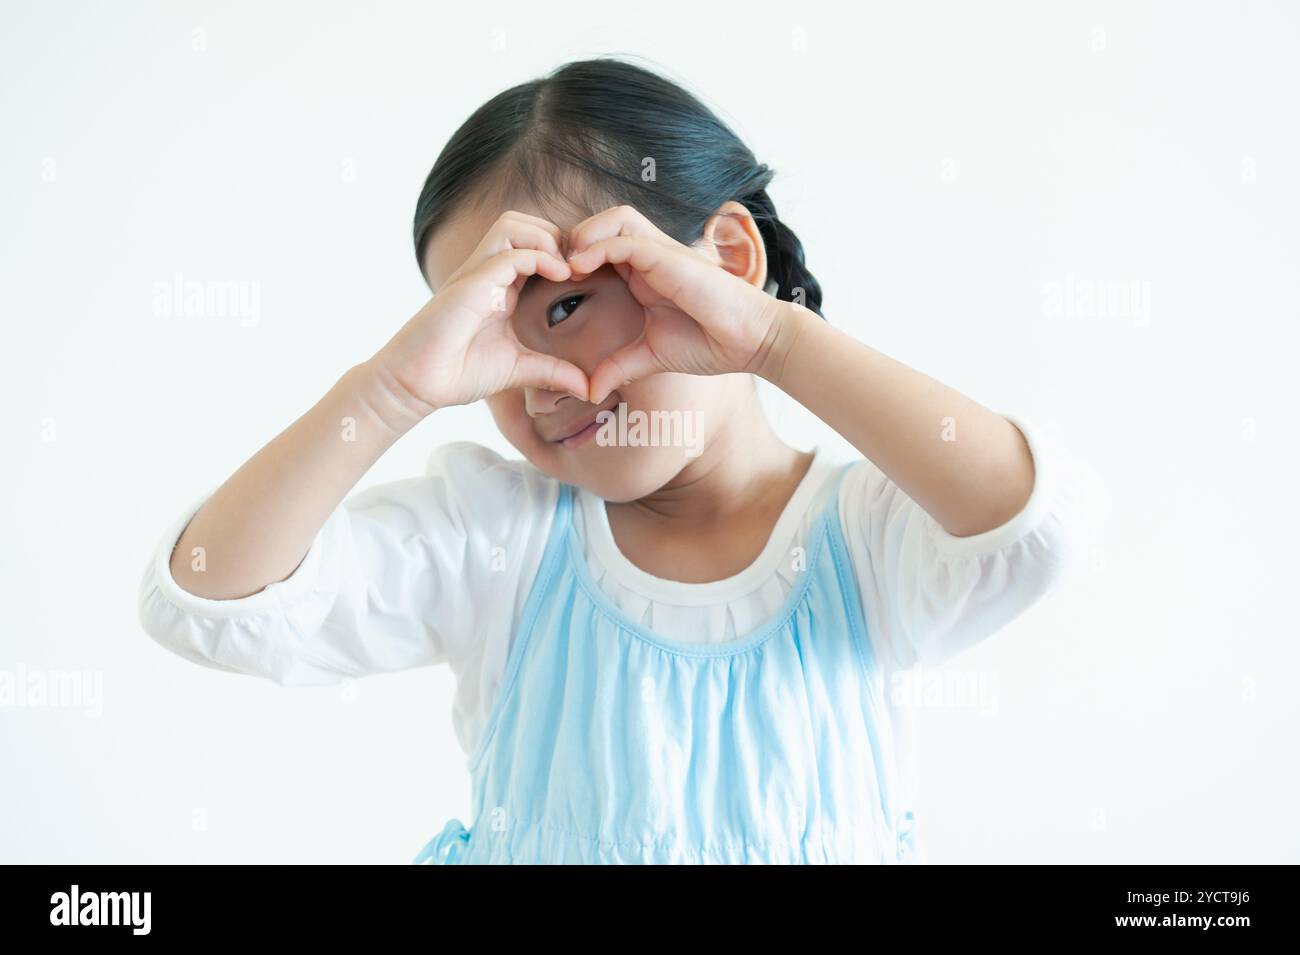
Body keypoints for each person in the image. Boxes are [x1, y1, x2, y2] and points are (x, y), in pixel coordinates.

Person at [138, 58, 1090, 864]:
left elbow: (1027, 523)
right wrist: (391, 388)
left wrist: (774, 342)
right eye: (483, 341)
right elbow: (211, 596)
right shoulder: (496, 537)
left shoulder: (866, 537)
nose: (540, 385)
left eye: (562, 309)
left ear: (724, 256)